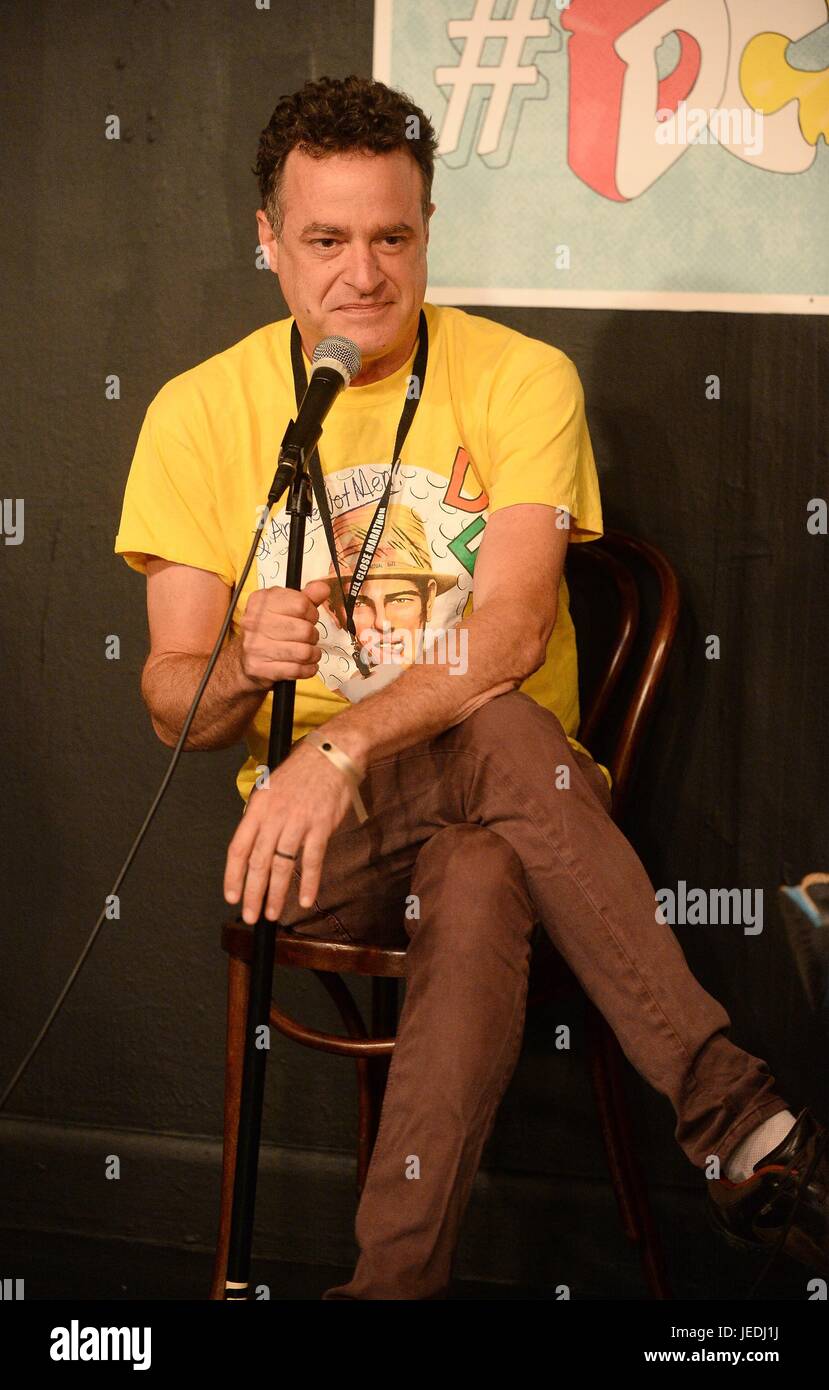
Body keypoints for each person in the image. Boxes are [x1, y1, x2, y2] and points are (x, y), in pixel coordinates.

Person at [114, 74, 828, 1299]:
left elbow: (508, 631)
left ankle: (388, 1289)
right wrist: (242, 661)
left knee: (491, 830)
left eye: (393, 236)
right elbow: (175, 703)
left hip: (501, 793)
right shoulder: (199, 410)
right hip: (315, 839)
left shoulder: (520, 377)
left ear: (429, 229)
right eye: (326, 240)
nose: (363, 274)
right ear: (268, 241)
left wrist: (333, 748)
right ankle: (744, 1128)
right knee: (498, 751)